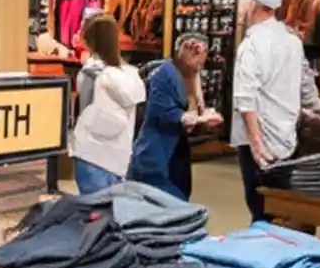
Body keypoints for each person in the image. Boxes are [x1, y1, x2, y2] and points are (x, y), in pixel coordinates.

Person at [231, 0, 303, 222]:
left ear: (255, 6)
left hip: (259, 136)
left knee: (259, 205)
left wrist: (255, 141)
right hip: (285, 134)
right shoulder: (293, 42)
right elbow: (304, 86)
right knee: (280, 204)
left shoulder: (252, 45)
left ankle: (261, 251)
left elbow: (245, 97)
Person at [127, 34, 222, 200]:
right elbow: (161, 111)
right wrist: (196, 118)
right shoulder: (164, 73)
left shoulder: (188, 76)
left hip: (173, 154)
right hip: (155, 155)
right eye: (200, 51)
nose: (202, 57)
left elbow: (194, 109)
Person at [70, 12, 146, 194]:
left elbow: (83, 111)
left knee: (93, 216)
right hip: (119, 159)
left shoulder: (91, 75)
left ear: (89, 42)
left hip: (91, 155)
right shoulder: (131, 76)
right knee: (112, 214)